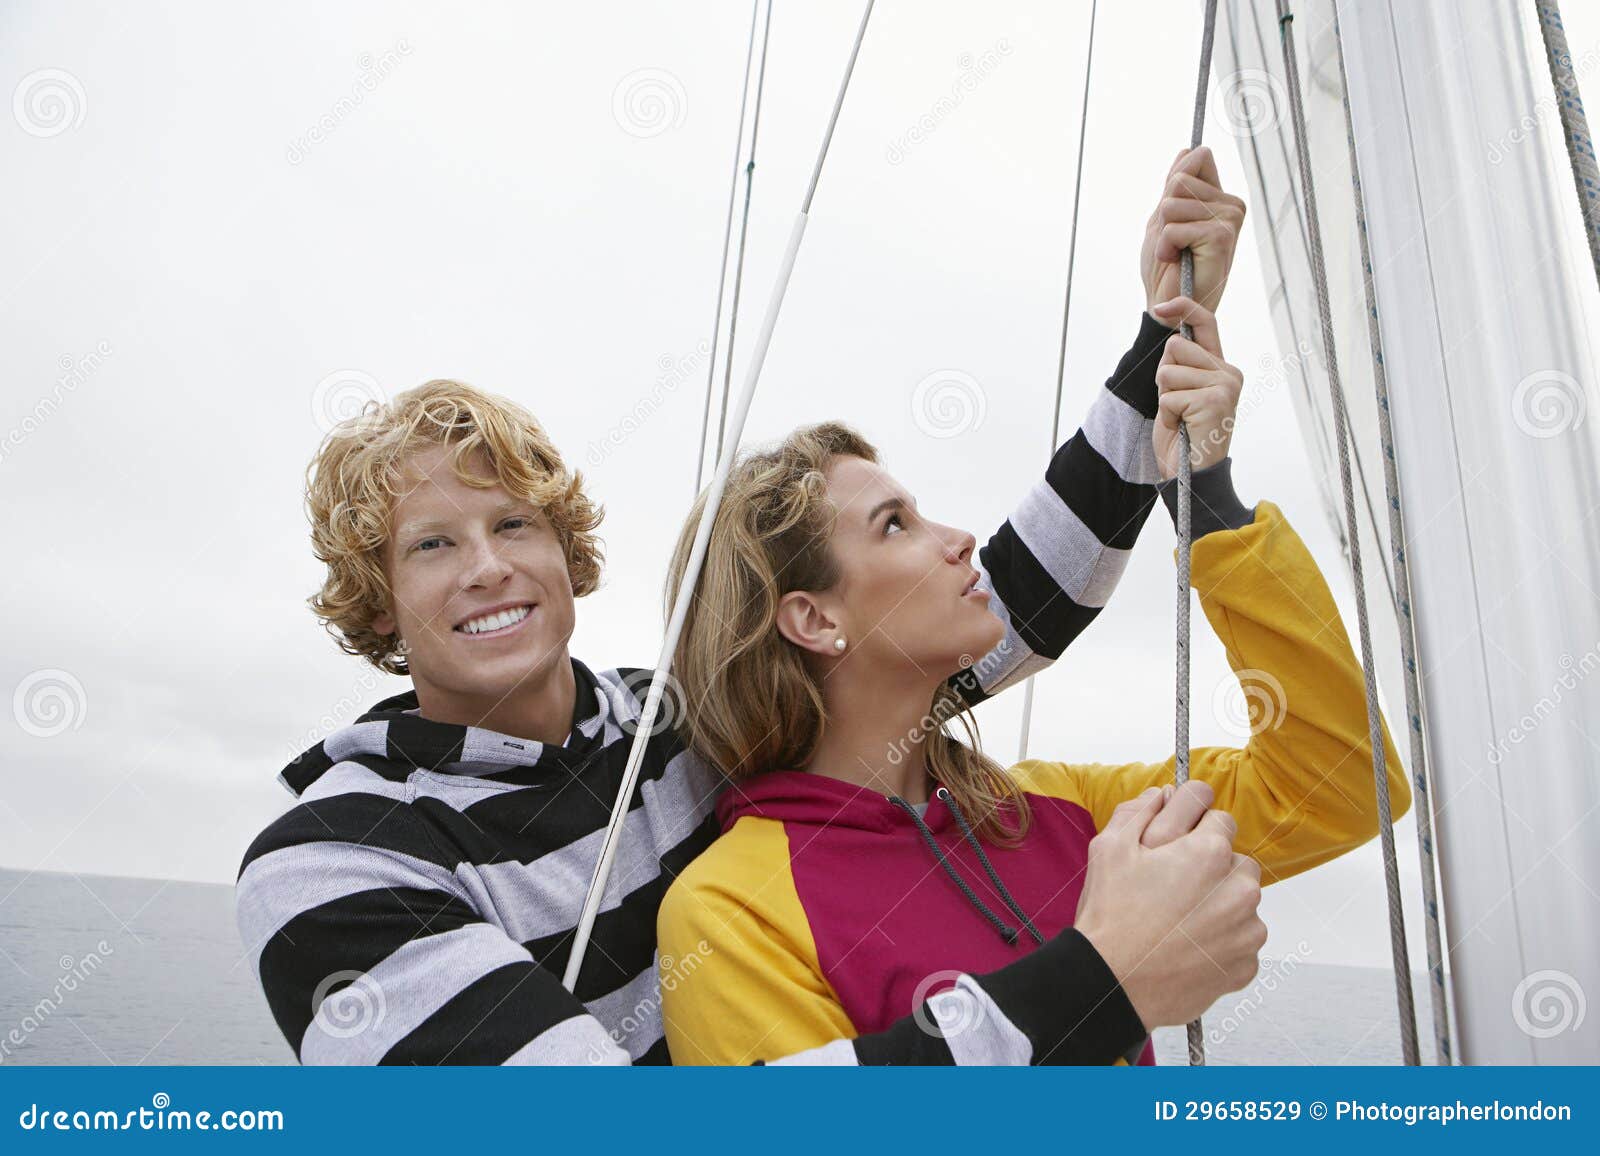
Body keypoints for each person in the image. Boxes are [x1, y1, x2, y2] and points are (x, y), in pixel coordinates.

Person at [235, 150, 1261, 1065]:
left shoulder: (677, 730)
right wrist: (1098, 982)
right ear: (376, 607)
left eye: (514, 526)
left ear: (566, 551)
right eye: (430, 546)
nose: (486, 567)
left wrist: (1160, 340)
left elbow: (998, 607)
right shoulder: (332, 858)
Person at [655, 296, 1411, 1065]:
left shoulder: (1062, 812)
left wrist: (1207, 493)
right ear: (812, 621)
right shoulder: (729, 913)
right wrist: (1109, 984)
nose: (959, 539)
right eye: (895, 524)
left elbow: (1344, 785)